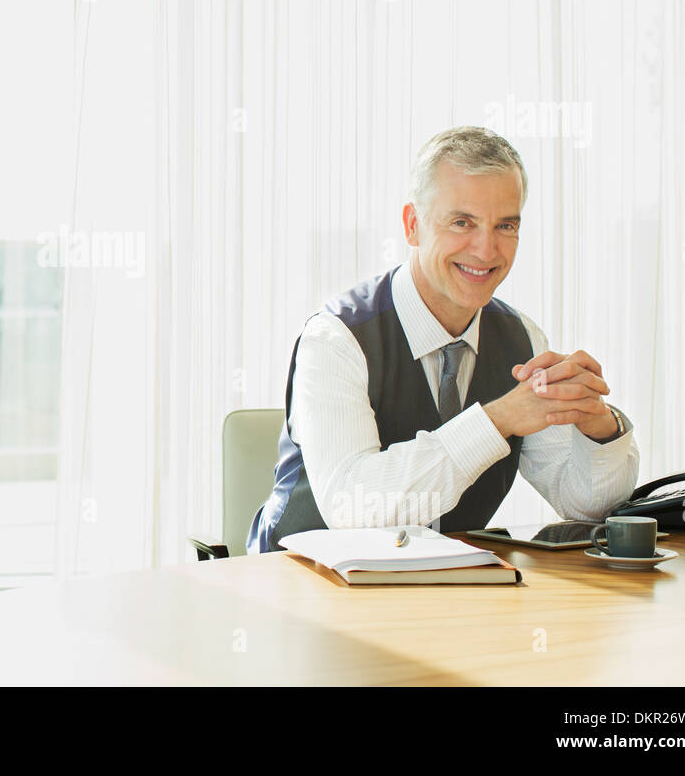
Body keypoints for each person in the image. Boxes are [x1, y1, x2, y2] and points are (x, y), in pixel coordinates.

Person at [247, 126, 638, 553]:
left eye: (505, 225)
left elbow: (582, 504)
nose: (486, 251)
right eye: (462, 222)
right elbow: (351, 507)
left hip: (446, 596)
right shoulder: (336, 338)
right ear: (413, 226)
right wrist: (497, 420)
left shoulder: (522, 339)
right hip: (300, 588)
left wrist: (597, 429)